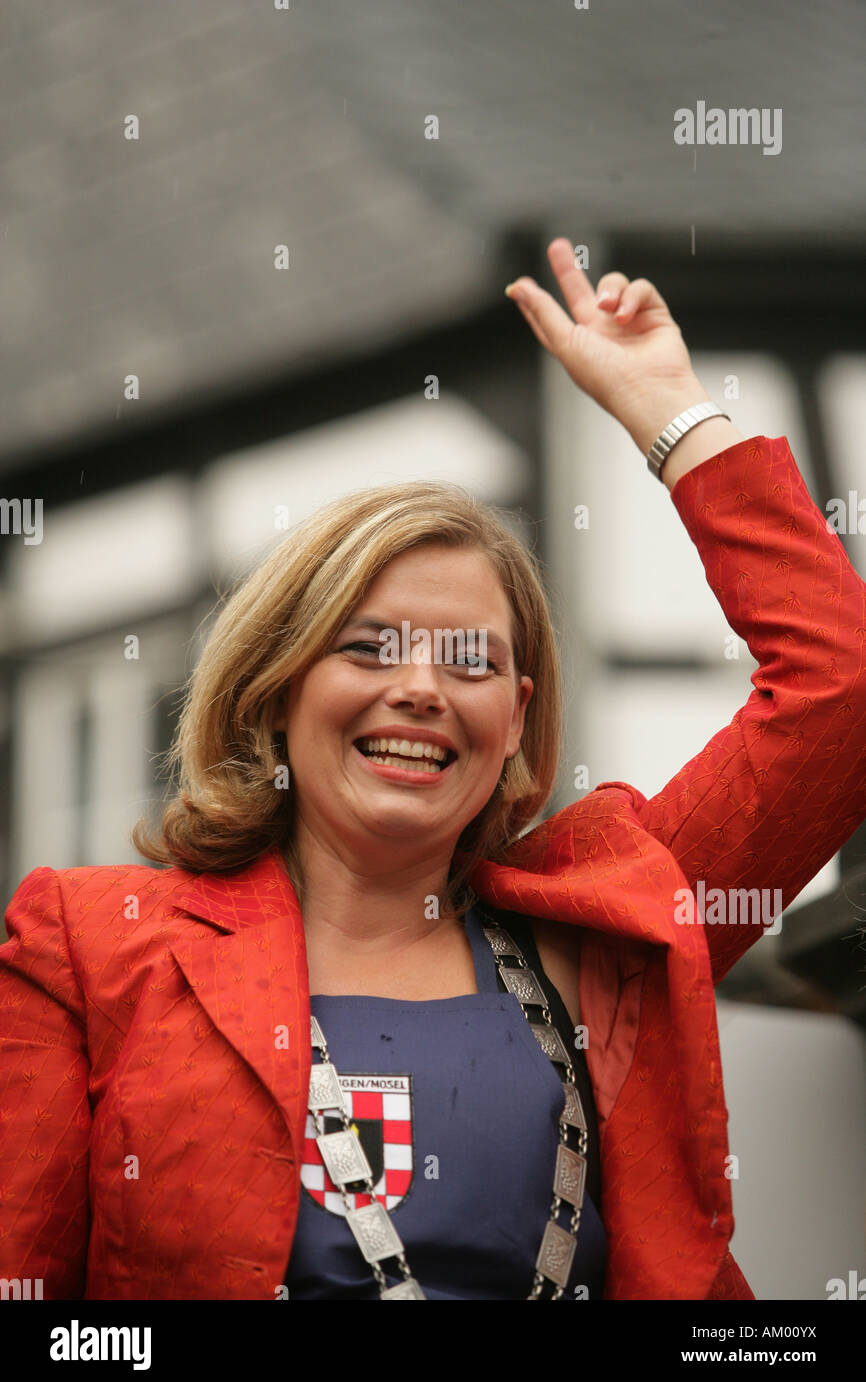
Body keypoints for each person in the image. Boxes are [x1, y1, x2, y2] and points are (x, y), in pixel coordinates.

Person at [2, 240, 864, 1301]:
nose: (420, 688)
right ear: (275, 689)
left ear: (514, 721)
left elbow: (839, 695)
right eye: (366, 647)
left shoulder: (607, 927)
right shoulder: (88, 947)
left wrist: (669, 412)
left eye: (471, 659)